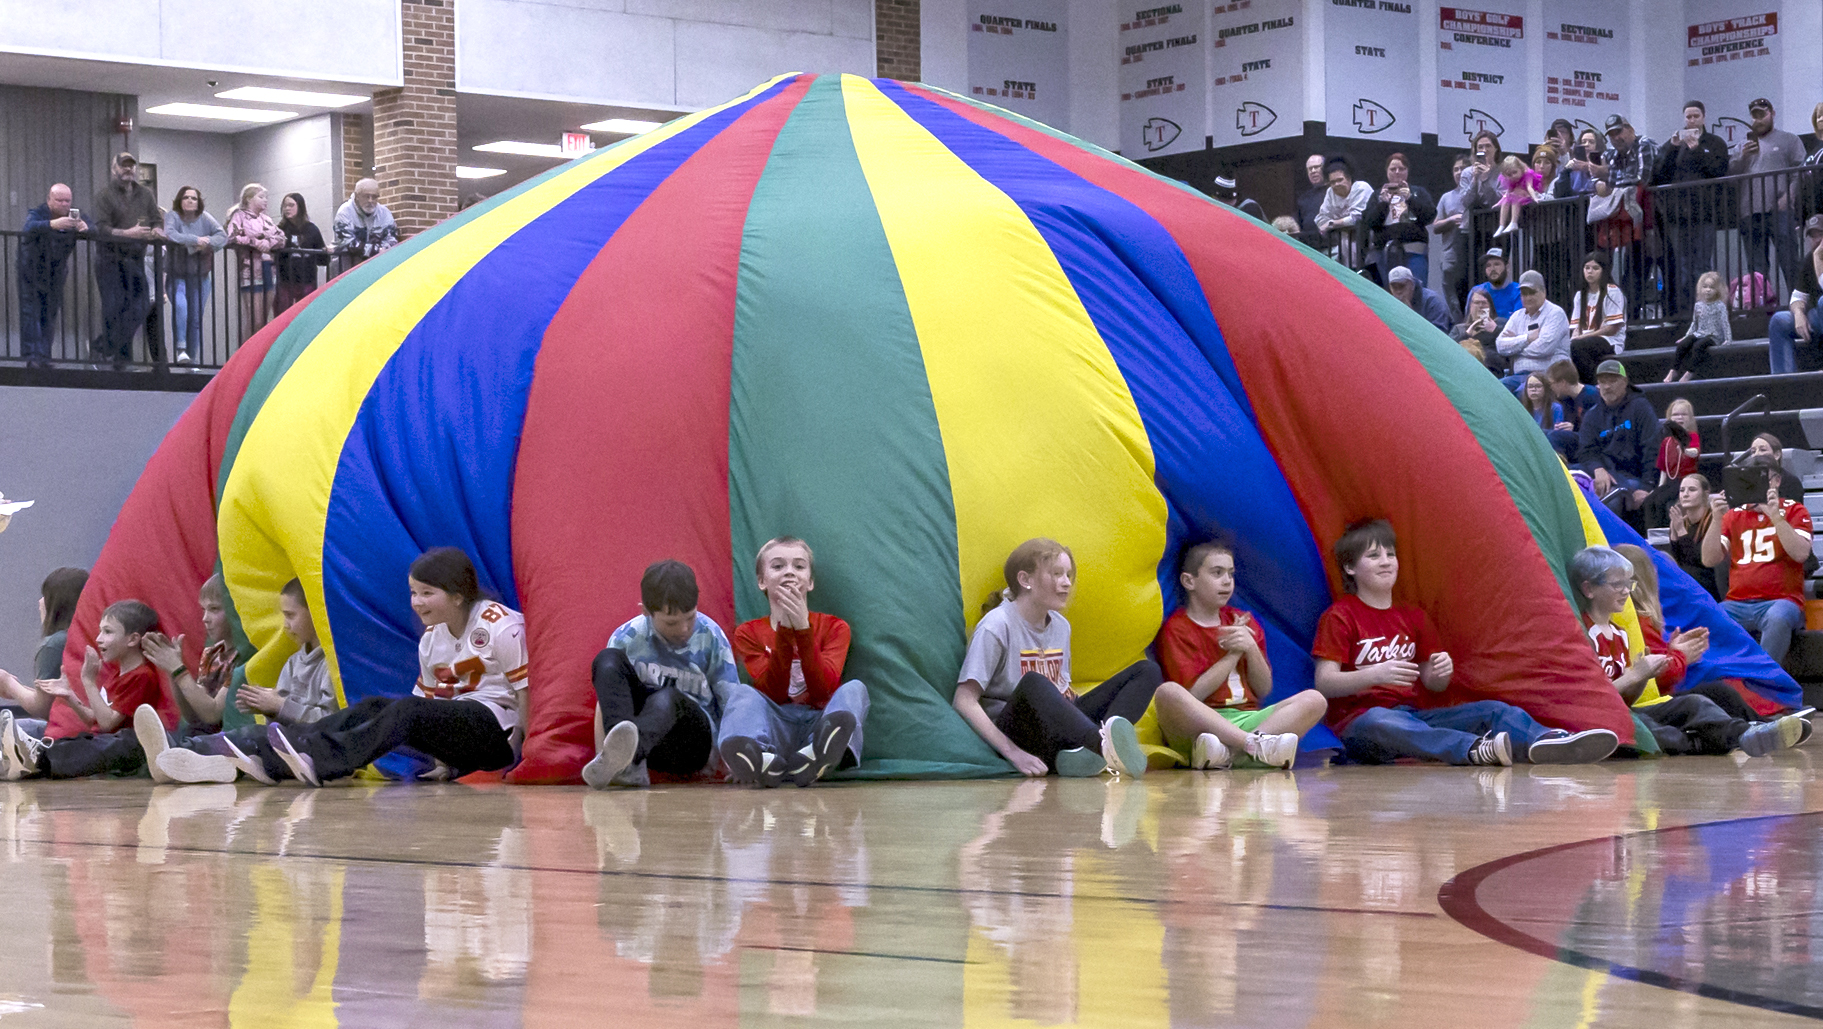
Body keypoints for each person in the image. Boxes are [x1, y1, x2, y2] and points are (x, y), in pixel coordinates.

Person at [1312, 519, 1617, 766]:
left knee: (1494, 710)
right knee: (1383, 721)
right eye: (1374, 555)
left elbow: (1433, 684)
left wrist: (1440, 672)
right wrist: (1375, 675)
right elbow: (1324, 683)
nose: (1387, 562)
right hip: (1361, 724)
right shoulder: (1340, 616)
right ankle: (1473, 749)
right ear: (1350, 568)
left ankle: (1547, 741)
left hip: (1415, 716)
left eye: (1391, 554)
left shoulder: (1412, 615)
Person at [263, 547, 530, 786]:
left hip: (497, 733)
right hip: (462, 736)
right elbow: (431, 704)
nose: (417, 602)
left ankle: (324, 760)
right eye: (414, 592)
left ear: (458, 596)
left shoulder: (500, 625)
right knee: (375, 706)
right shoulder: (432, 638)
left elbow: (525, 691)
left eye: (427, 593)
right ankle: (289, 747)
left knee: (407, 709)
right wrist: (443, 765)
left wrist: (522, 754)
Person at [951, 538, 1158, 778]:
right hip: (1017, 732)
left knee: (1146, 671)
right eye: (1057, 574)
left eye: (1069, 575)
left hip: (1057, 733)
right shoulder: (997, 625)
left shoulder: (1061, 626)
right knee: (1034, 682)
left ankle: (1089, 752)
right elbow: (963, 700)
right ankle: (1102, 747)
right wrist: (1014, 753)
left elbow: (1061, 692)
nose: (1066, 583)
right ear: (1025, 580)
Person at [1571, 545, 1800, 757]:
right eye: (1616, 585)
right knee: (1657, 733)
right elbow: (1596, 698)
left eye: (1628, 584)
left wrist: (1644, 676)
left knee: (1695, 703)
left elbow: (1629, 698)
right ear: (1589, 589)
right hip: (1606, 717)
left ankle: (1747, 734)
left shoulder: (1619, 632)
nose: (1625, 591)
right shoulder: (1583, 634)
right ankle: (1709, 740)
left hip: (1630, 710)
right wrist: (1642, 673)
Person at [1149, 541, 1326, 770]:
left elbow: (1263, 689)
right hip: (1202, 724)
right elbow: (1194, 694)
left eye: (1231, 574)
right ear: (1189, 581)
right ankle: (1251, 748)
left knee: (1315, 699)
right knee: (1167, 693)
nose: (1227, 581)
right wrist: (1232, 655)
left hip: (1247, 720)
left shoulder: (1243, 621)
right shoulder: (1178, 628)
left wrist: (1251, 648)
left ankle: (1229, 754)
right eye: (1217, 573)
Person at [149, 577, 340, 784]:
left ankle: (172, 754)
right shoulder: (293, 662)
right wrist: (267, 707)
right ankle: (171, 756)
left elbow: (328, 720)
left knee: (248, 737)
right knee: (238, 736)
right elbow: (195, 716)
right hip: (284, 742)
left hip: (306, 746)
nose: (285, 625)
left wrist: (279, 705)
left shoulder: (330, 663)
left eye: (290, 615)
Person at [719, 537, 869, 788]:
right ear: (761, 581)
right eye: (778, 566)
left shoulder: (835, 627)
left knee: (856, 689)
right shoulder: (748, 632)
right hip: (776, 725)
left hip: (819, 722)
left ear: (810, 582)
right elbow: (773, 692)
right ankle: (761, 758)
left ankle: (819, 754)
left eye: (799, 567)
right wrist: (787, 631)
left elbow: (824, 690)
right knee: (743, 693)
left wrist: (803, 628)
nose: (789, 572)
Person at [584, 559, 738, 788]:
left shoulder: (710, 636)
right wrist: (601, 758)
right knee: (606, 660)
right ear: (646, 611)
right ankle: (622, 766)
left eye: (690, 617)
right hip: (651, 747)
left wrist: (736, 761)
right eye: (672, 623)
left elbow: (732, 702)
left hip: (691, 745)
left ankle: (627, 760)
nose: (684, 629)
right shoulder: (628, 637)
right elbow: (605, 702)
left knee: (667, 698)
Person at [1701, 452, 1812, 669]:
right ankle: (1727, 681)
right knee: (1711, 616)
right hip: (1738, 602)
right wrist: (1715, 518)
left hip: (1782, 600)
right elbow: (1709, 559)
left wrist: (1776, 517)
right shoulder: (1734, 515)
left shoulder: (1794, 509)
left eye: (1763, 478)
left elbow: (1801, 554)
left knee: (1777, 618)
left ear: (1777, 480)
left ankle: (1766, 681)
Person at [89, 152, 165, 368]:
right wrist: (128, 233)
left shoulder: (145, 194)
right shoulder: (104, 195)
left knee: (140, 305)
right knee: (114, 308)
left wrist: (157, 230)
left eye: (131, 166)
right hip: (109, 258)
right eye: (123, 166)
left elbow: (156, 219)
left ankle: (102, 347)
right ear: (114, 169)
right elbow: (101, 228)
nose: (128, 169)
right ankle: (121, 361)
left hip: (135, 258)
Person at [1653, 101, 1729, 313]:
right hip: (1678, 216)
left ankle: (1707, 309)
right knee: (1683, 267)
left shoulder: (1715, 143)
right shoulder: (1674, 145)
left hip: (1705, 214)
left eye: (1696, 116)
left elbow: (1719, 170)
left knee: (1702, 264)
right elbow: (1660, 175)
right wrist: (1673, 148)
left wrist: (1697, 150)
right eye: (1688, 117)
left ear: (1704, 117)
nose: (1692, 120)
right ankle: (1687, 312)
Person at [1729, 98, 1805, 291]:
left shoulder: (1789, 140)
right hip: (1749, 211)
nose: (1758, 119)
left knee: (1789, 261)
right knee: (1756, 268)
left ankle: (1799, 305)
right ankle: (1762, 309)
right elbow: (1730, 176)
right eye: (1755, 115)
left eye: (1762, 114)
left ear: (1772, 113)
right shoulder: (1741, 147)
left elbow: (1801, 170)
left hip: (1779, 208)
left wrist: (1789, 196)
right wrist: (1742, 156)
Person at [0, 567, 88, 722]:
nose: (40, 601)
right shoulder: (87, 636)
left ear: (56, 603)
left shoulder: (53, 645)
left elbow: (42, 709)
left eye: (45, 595)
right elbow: (56, 698)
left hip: (67, 729)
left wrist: (8, 683)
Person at [1578, 358, 1662, 522]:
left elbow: (1652, 448)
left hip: (1633, 477)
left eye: (1612, 381)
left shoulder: (1640, 408)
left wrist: (1647, 486)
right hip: (1603, 474)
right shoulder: (1592, 415)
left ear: (1625, 382)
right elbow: (1586, 451)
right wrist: (1598, 468)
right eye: (1603, 382)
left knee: (1612, 498)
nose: (1607, 386)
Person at [16, 184, 86, 367]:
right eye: (59, 200)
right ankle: (32, 357)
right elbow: (28, 227)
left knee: (49, 314)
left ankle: (44, 357)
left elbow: (94, 229)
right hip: (30, 273)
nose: (64, 204)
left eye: (67, 200)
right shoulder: (38, 212)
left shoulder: (74, 215)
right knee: (31, 314)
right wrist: (52, 224)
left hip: (55, 274)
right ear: (49, 200)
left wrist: (85, 228)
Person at [161, 186, 226, 364]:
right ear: (179, 201)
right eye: (186, 197)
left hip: (200, 276)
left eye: (194, 198)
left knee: (195, 318)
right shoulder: (173, 216)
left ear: (199, 202)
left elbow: (222, 236)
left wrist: (207, 243)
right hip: (177, 274)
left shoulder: (205, 217)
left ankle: (192, 359)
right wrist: (195, 241)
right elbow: (172, 234)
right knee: (181, 308)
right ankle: (181, 348)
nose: (190, 201)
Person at [1362, 152, 1436, 284]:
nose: (1397, 172)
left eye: (1401, 169)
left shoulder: (1418, 192)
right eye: (1393, 169)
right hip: (1384, 253)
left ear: (1407, 171)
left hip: (1414, 252)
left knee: (1416, 288)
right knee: (1387, 292)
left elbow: (1430, 215)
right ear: (1386, 172)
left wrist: (1410, 199)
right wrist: (1383, 204)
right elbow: (1369, 222)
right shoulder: (1377, 194)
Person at [224, 183, 285, 339]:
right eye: (261, 197)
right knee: (254, 318)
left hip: (268, 268)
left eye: (266, 197)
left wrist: (269, 243)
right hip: (250, 269)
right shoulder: (239, 216)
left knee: (264, 319)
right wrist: (254, 242)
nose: (265, 200)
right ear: (249, 198)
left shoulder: (267, 219)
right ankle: (246, 355)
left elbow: (281, 237)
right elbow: (232, 237)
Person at [1495, 270, 1570, 391]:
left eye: (1532, 292)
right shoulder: (1516, 316)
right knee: (1494, 388)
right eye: (1524, 294)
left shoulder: (1556, 314)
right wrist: (1527, 338)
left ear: (1544, 292)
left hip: (1547, 377)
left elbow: (1543, 348)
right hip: (1519, 376)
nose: (1528, 298)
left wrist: (1514, 348)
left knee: (1522, 394)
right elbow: (1500, 345)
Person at [1767, 214, 1823, 374]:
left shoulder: (1817, 257)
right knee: (1779, 320)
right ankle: (1785, 386)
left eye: (1821, 235)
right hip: (1818, 318)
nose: (1817, 240)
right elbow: (1797, 297)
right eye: (1813, 236)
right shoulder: (1809, 260)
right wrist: (1798, 313)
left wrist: (1819, 260)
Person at [1567, 251, 1627, 383]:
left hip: (1609, 340)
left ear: (1603, 271)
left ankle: (1592, 384)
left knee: (1577, 346)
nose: (1590, 272)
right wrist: (1573, 339)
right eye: (1587, 268)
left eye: (1595, 268)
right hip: (1584, 341)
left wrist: (1582, 337)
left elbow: (1612, 328)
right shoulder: (1580, 295)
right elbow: (1576, 327)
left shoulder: (1612, 291)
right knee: (1567, 347)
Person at [1667, 270, 1730, 381]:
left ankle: (1689, 372)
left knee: (1698, 347)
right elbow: (1694, 323)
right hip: (1699, 333)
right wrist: (1686, 336)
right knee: (1683, 345)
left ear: (1717, 290)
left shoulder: (1720, 306)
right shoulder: (1698, 305)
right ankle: (1673, 371)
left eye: (1712, 287)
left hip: (1713, 336)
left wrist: (1728, 339)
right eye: (1705, 287)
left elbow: (1725, 323)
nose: (1708, 290)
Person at [1432, 155, 1473, 319]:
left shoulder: (1476, 193)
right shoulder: (1446, 197)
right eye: (1455, 169)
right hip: (1450, 256)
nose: (1459, 172)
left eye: (1462, 168)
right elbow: (1435, 226)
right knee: (1452, 297)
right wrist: (1451, 220)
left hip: (1472, 252)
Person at [1666, 474, 1721, 598]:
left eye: (1692, 490)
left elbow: (1700, 561)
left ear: (1705, 494)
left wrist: (1681, 530)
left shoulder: (1713, 519)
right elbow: (1678, 561)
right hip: (1690, 576)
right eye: (1682, 490)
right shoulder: (1682, 520)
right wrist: (1674, 533)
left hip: (1710, 579)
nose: (1685, 494)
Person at [274, 192, 327, 315]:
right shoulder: (279, 229)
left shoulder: (311, 229)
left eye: (291, 205)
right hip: (285, 280)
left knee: (306, 314)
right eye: (285, 206)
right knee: (283, 315)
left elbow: (323, 258)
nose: (287, 209)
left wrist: (325, 252)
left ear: (300, 207)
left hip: (307, 279)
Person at [1314, 157, 1373, 266]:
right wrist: (1336, 223)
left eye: (1340, 180)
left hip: (1368, 248)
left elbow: (1357, 218)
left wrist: (1332, 223)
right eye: (1332, 182)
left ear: (1349, 178)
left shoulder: (1361, 187)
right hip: (1345, 251)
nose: (1336, 184)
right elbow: (1321, 218)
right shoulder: (1330, 193)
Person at [333, 178, 399, 263]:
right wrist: (377, 251)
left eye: (374, 197)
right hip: (348, 267)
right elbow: (347, 243)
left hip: (377, 265)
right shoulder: (345, 212)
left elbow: (392, 240)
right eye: (366, 196)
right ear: (357, 196)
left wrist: (382, 250)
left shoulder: (384, 213)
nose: (370, 200)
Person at [1387, 265, 1451, 333]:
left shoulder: (1433, 301)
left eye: (1402, 286)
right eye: (1394, 288)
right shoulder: (1390, 304)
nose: (1398, 292)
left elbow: (1439, 334)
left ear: (1412, 285)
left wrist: (1411, 316)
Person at [1491, 155, 1541, 238]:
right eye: (1509, 174)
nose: (1513, 176)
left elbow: (1529, 187)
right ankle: (1501, 225)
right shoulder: (1511, 180)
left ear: (1520, 169)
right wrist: (1499, 203)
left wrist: (1535, 197)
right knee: (1507, 199)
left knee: (1514, 196)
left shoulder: (1527, 174)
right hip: (1518, 195)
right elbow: (1507, 193)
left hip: (1527, 195)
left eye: (1515, 172)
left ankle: (1514, 222)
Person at [1468, 247, 1521, 321]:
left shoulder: (1518, 291)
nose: (1492, 269)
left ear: (1507, 267)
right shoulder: (1477, 291)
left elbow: (1519, 323)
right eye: (1488, 265)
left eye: (1497, 264)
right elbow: (1469, 320)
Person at [1657, 398, 1701, 486]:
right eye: (1675, 414)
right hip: (1670, 482)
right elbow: (1664, 470)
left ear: (1690, 418)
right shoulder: (1666, 441)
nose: (1680, 417)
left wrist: (1686, 451)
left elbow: (1695, 452)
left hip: (1687, 481)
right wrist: (1660, 487)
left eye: (1684, 414)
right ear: (1670, 418)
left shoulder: (1692, 436)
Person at [1556, 129, 1604, 197]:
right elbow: (1560, 194)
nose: (1586, 145)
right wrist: (1566, 171)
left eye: (1591, 142)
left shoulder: (1604, 165)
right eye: (1583, 142)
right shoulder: (1572, 167)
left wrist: (1588, 168)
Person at [1294, 153, 1327, 235]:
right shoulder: (1303, 198)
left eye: (1316, 167)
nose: (1313, 171)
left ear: (1325, 168)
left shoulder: (1336, 191)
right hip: (1309, 244)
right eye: (1310, 169)